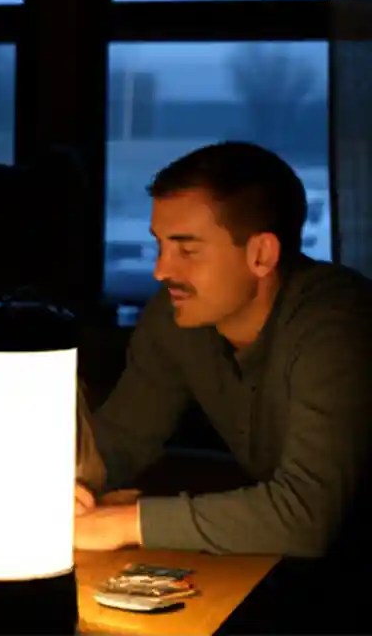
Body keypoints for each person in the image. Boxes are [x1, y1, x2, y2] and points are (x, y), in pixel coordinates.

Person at [75, 142, 372, 564]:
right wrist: (75, 489)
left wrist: (125, 523)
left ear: (261, 254)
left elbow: (307, 516)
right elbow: (123, 440)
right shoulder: (175, 318)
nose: (161, 270)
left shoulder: (336, 322)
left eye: (187, 250)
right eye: (160, 245)